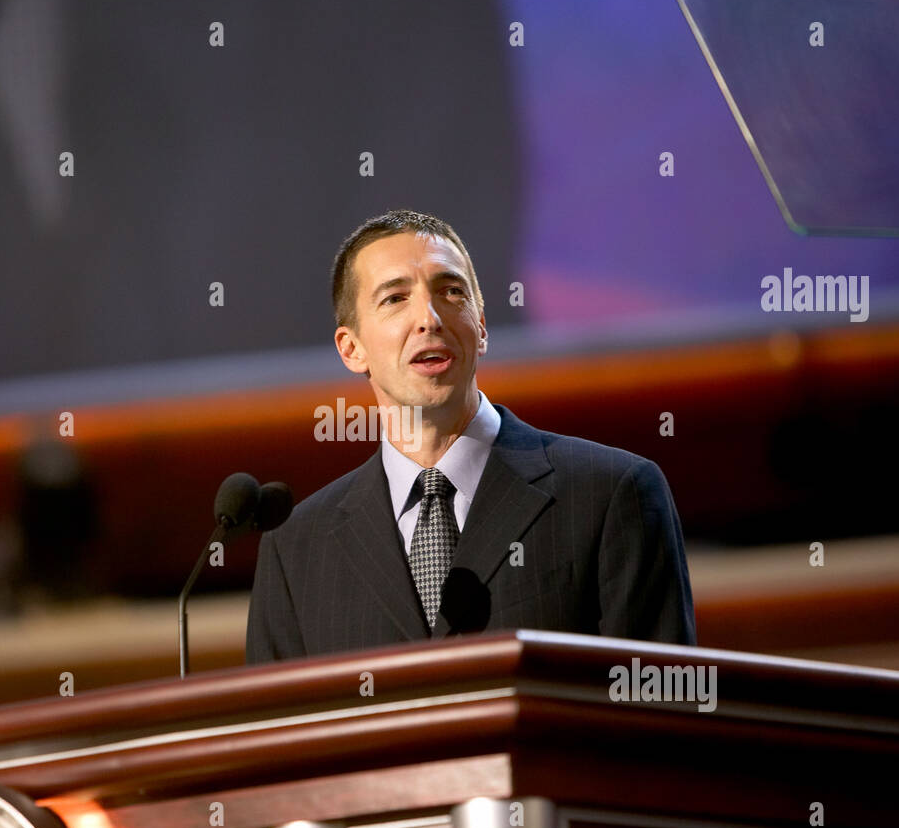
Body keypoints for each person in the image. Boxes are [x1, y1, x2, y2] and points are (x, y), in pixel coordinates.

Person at [246, 210, 695, 662]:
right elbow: (273, 726)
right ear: (351, 348)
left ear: (480, 327)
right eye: (396, 298)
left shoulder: (612, 492)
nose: (429, 317)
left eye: (451, 291)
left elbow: (659, 711)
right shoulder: (297, 547)